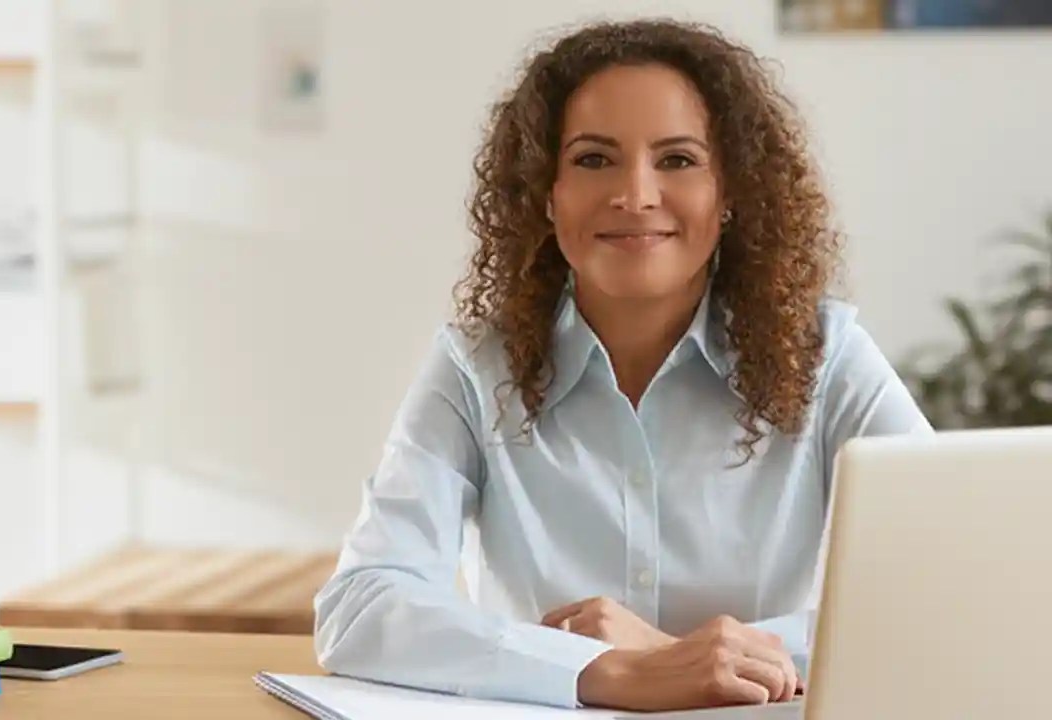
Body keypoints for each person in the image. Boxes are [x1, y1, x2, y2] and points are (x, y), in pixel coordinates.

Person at [313, 18, 931, 713]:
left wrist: (678, 656)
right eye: (593, 159)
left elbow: (943, 592)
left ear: (731, 194)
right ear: (544, 194)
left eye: (677, 160)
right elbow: (362, 606)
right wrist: (604, 671)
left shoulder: (825, 356)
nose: (635, 195)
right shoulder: (476, 367)